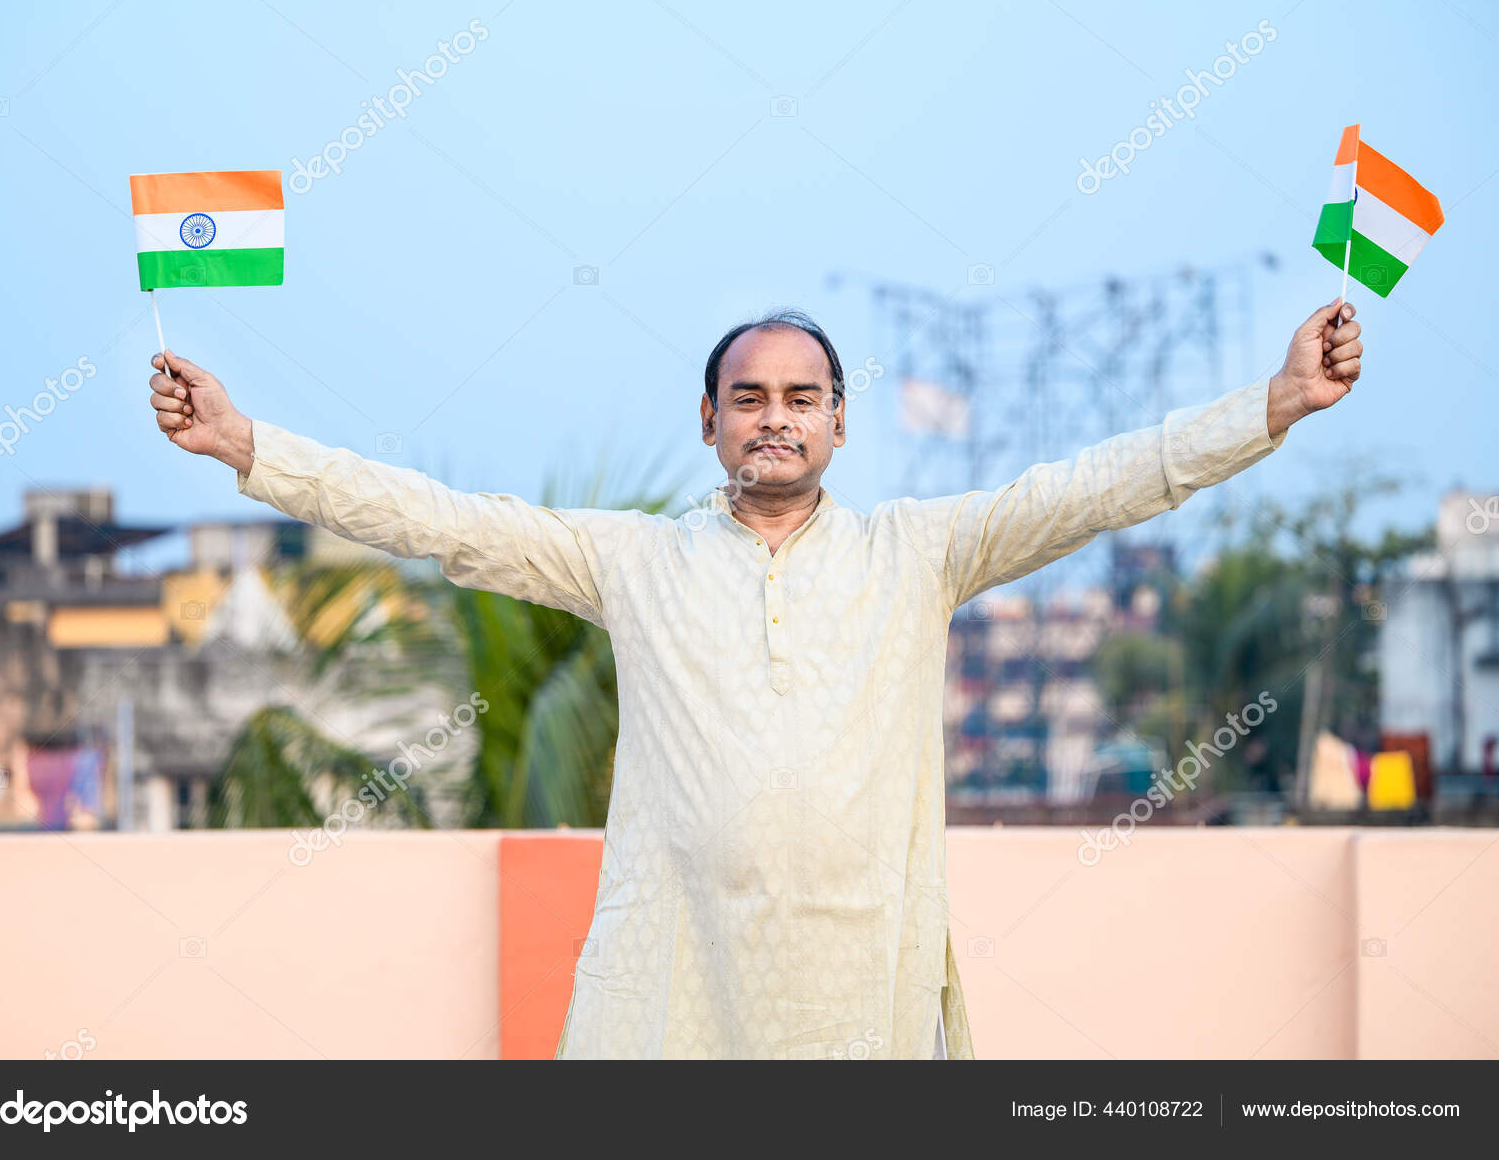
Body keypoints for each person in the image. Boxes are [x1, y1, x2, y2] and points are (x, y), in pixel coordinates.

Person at [145, 299, 1363, 1059]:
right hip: (674, 991)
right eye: (748, 399)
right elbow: (440, 521)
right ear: (709, 422)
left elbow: (1096, 485)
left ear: (839, 422)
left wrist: (1270, 406)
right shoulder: (630, 561)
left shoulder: (917, 554)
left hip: (861, 995)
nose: (772, 419)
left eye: (799, 398)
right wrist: (254, 448)